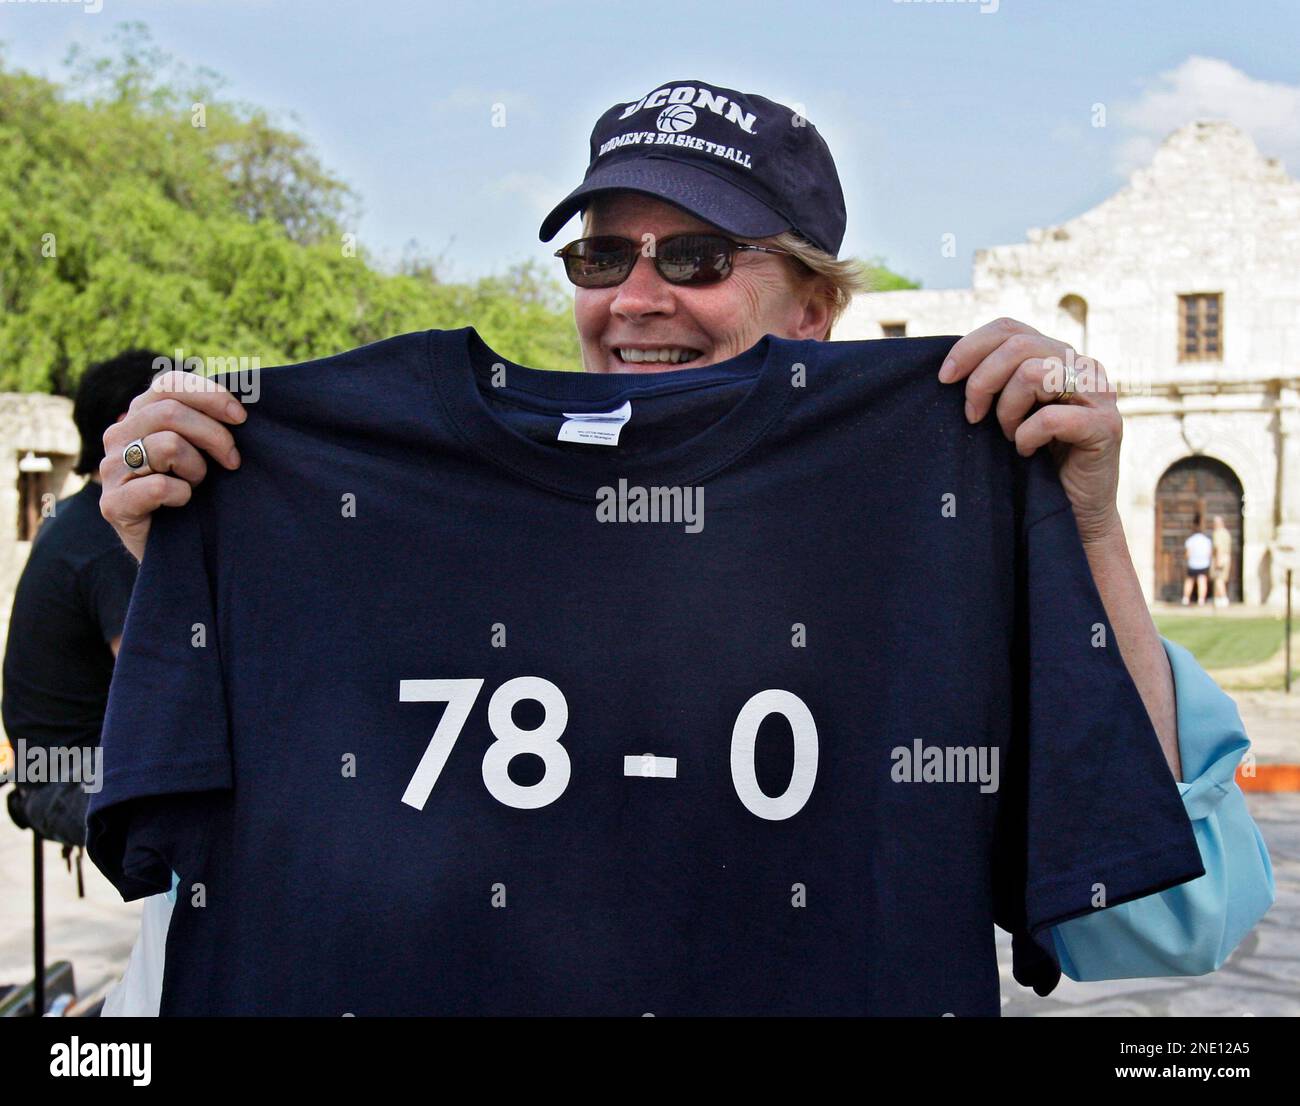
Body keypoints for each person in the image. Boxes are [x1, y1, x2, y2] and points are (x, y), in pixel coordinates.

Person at [94, 79, 1272, 1000]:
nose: (637, 296)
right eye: (601, 255)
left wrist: (1083, 529)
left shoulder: (937, 505)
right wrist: (211, 576)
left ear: (812, 308)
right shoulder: (361, 491)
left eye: (697, 255)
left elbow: (1166, 917)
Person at [3, 350, 162, 847]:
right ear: (128, 426)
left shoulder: (76, 515)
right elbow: (158, 684)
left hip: (53, 770)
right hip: (67, 782)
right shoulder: (107, 540)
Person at [1183, 520, 1213, 606]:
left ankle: (1186, 598)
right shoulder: (1207, 540)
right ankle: (1201, 600)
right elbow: (1209, 553)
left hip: (1193, 563)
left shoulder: (1190, 540)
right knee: (1202, 581)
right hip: (1203, 563)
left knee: (1189, 581)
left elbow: (1187, 554)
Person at [1211, 515, 1233, 608]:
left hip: (1220, 557)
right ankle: (1217, 599)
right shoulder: (1226, 533)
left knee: (1218, 578)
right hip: (1227, 557)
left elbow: (1218, 547)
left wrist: (1218, 560)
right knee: (1221, 579)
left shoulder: (1218, 533)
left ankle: (1223, 598)